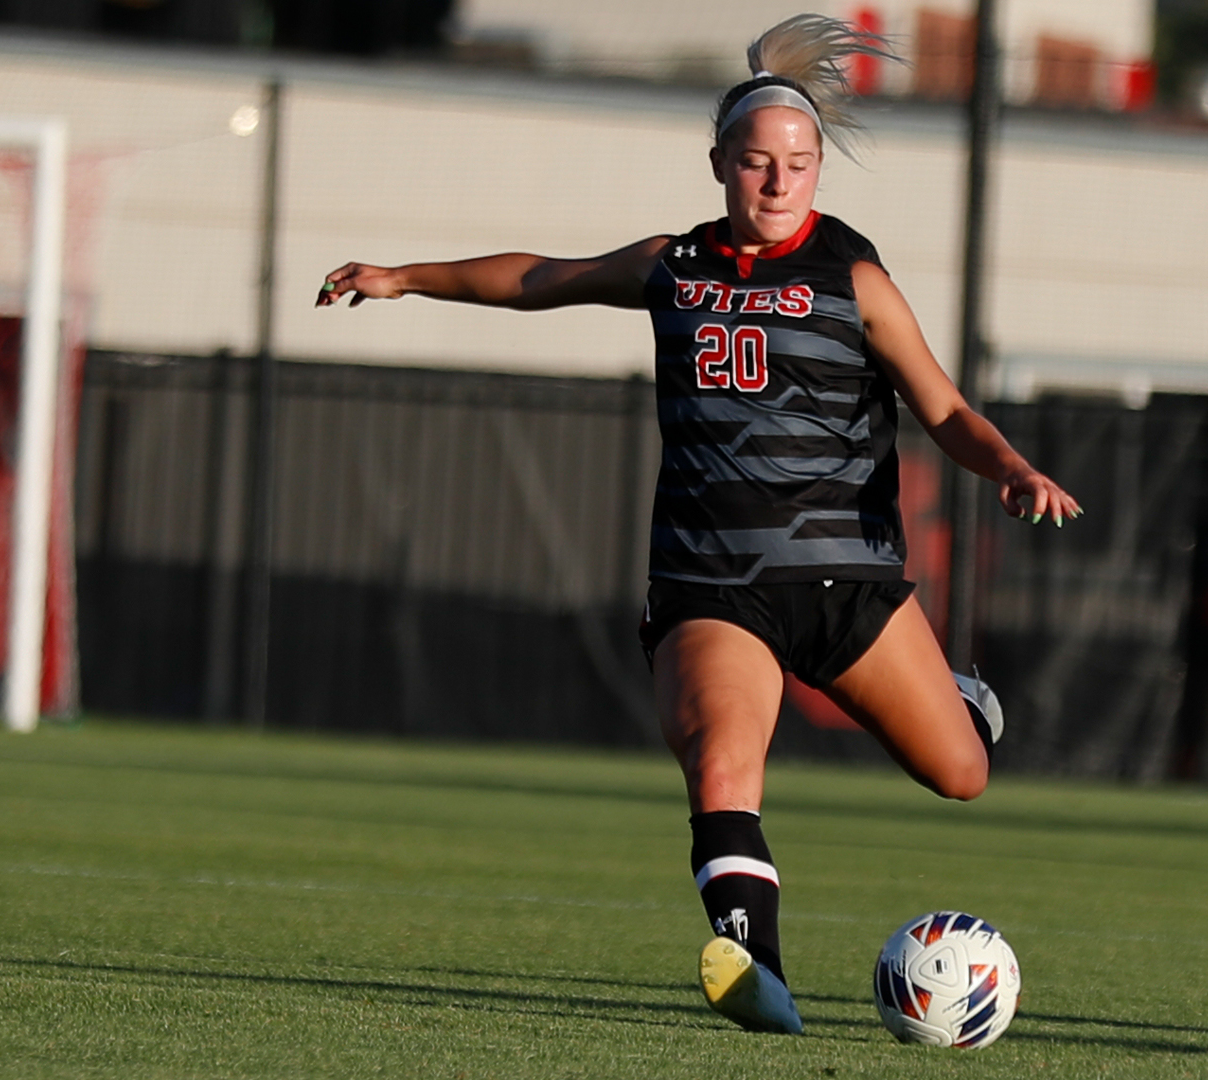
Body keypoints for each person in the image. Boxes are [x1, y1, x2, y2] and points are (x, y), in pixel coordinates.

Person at [317, 13, 1080, 1035]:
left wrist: (1015, 467)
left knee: (963, 777)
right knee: (723, 769)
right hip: (712, 584)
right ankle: (757, 971)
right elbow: (540, 279)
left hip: (848, 583)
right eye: (758, 163)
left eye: (799, 165)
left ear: (818, 171)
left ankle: (954, 693)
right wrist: (404, 276)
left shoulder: (853, 280)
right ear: (720, 163)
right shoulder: (673, 266)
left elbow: (942, 411)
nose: (778, 182)